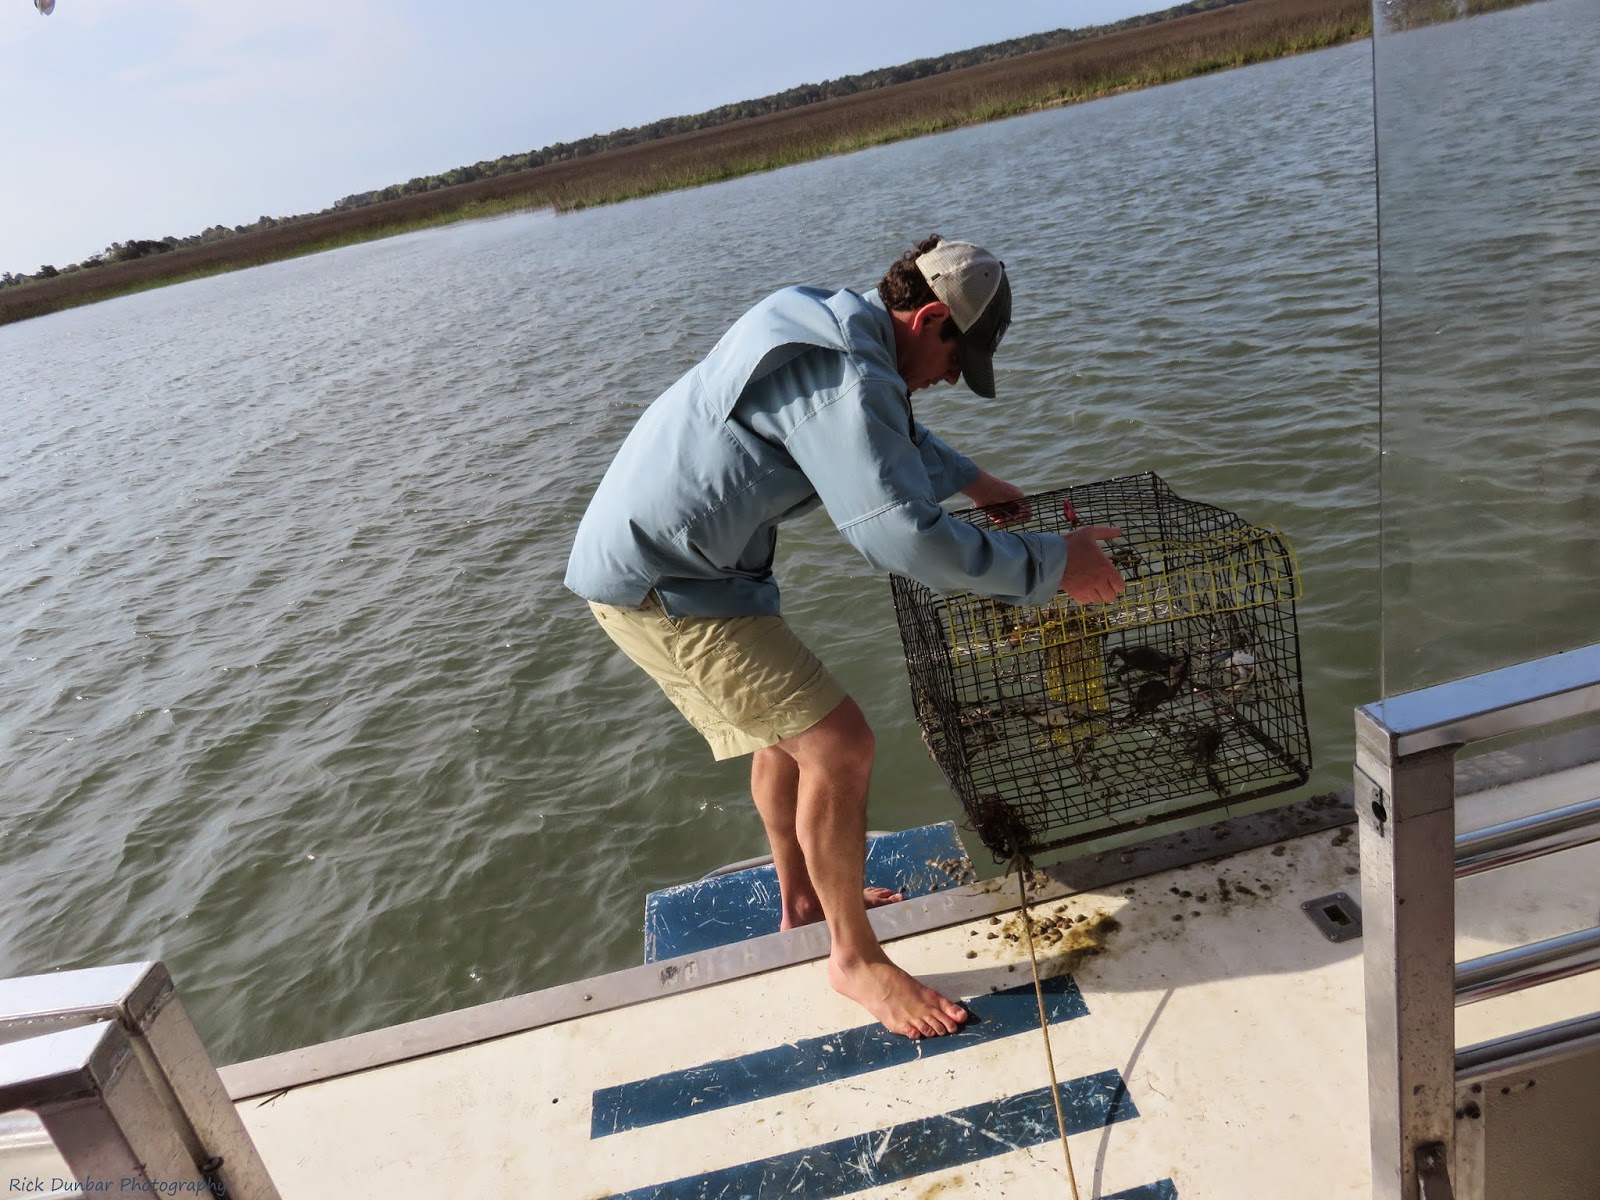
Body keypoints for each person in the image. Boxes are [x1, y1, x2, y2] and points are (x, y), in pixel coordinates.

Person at [565, 234, 1125, 1039]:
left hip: (693, 568)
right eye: (955, 363)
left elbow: (892, 432)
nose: (948, 382)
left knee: (782, 738)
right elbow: (902, 537)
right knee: (839, 746)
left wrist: (974, 480)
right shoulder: (848, 375)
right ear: (931, 318)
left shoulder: (837, 328)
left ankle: (802, 897)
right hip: (664, 585)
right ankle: (854, 961)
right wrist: (1053, 566)